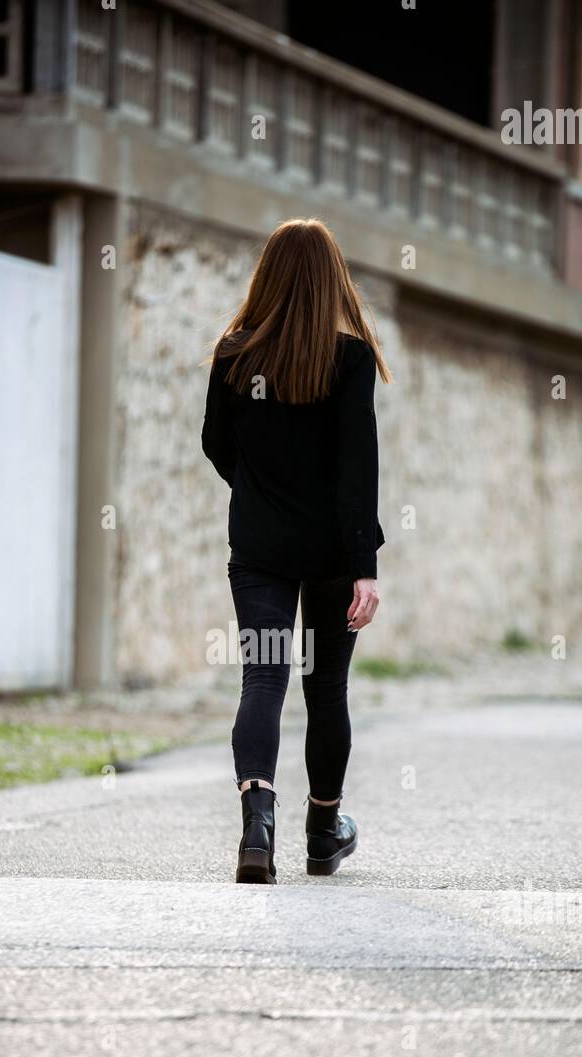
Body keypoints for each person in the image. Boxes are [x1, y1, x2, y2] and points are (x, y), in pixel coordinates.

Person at [201, 218, 390, 884]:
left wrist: (261, 500)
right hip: (335, 551)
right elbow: (356, 470)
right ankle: (322, 830)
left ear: (269, 277)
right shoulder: (351, 359)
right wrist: (364, 566)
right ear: (332, 280)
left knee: (264, 679)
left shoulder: (233, 354)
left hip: (258, 547)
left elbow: (216, 447)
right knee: (326, 687)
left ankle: (258, 827)